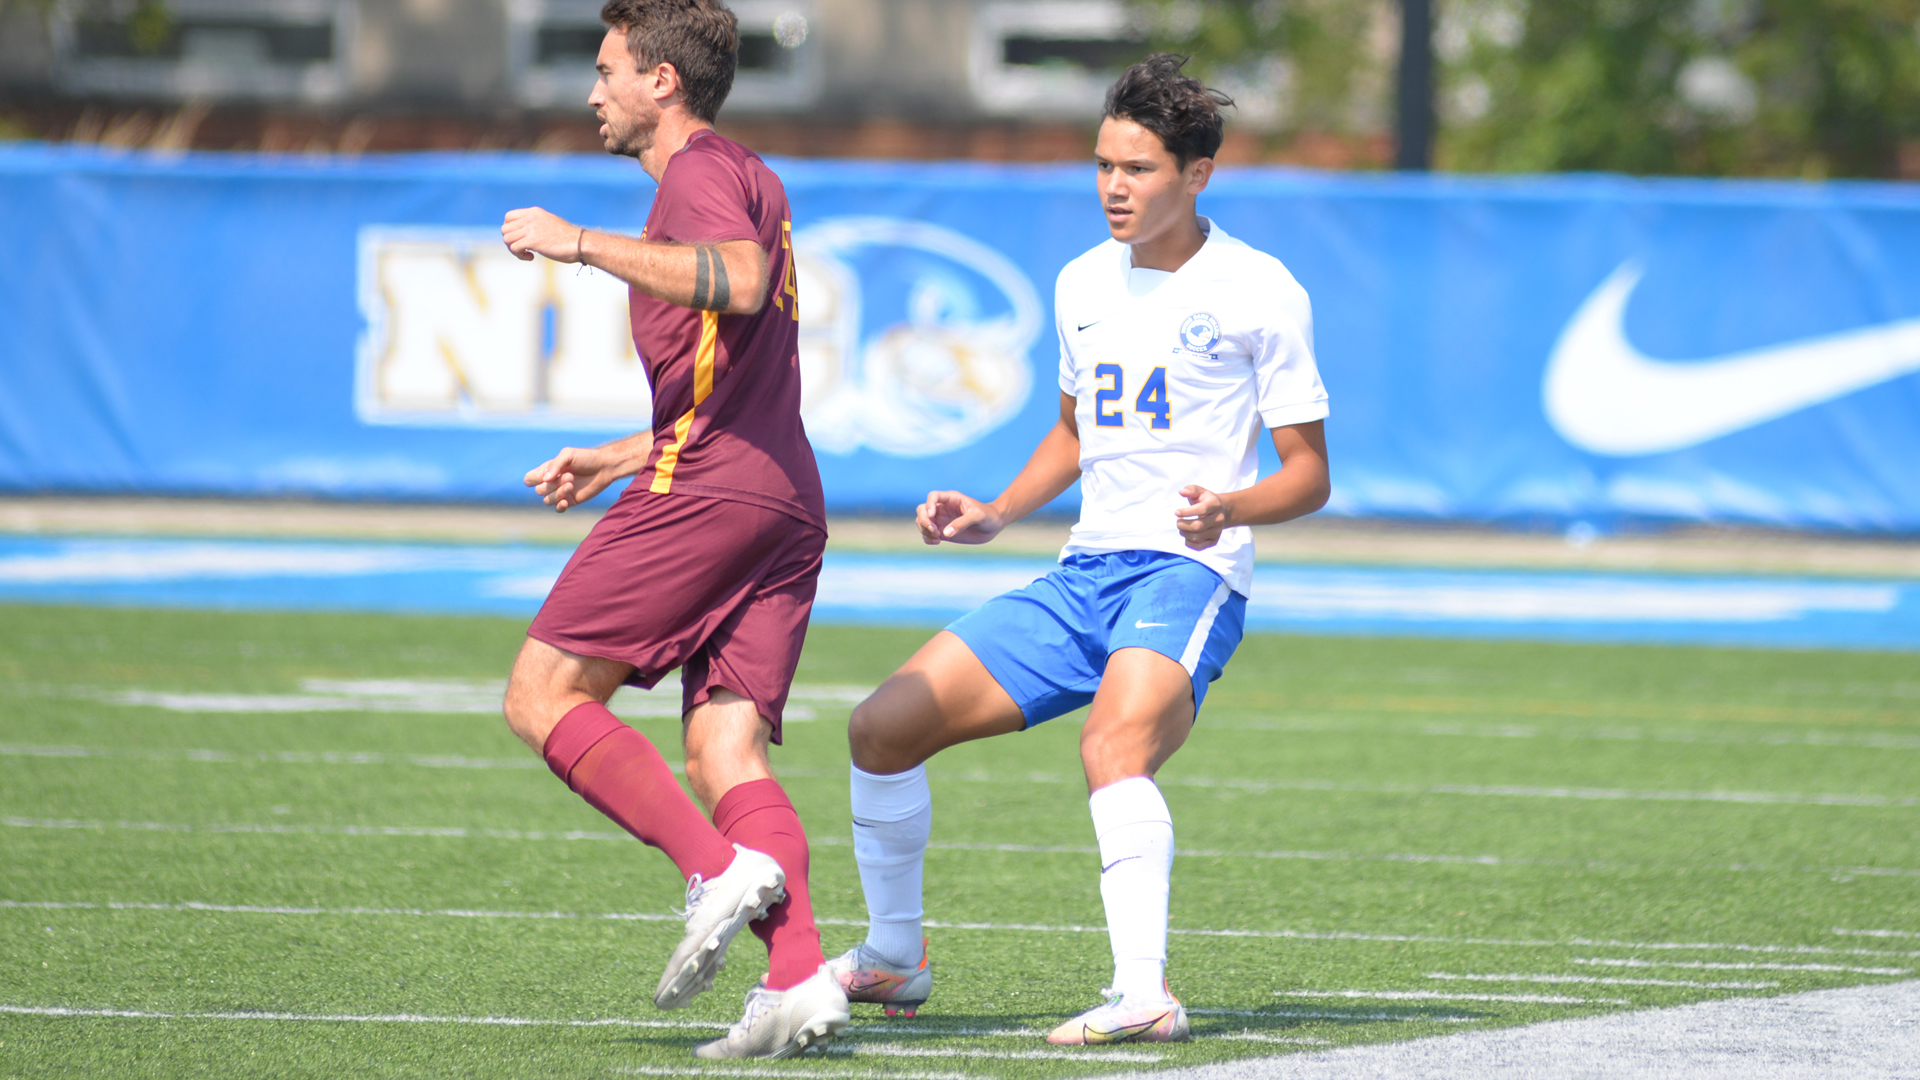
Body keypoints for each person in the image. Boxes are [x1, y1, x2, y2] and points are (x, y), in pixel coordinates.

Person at [825, 54, 1332, 1045]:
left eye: (1138, 169)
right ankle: (894, 958)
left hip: (1187, 574)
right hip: (1082, 573)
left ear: (1197, 175)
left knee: (1113, 746)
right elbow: (1073, 431)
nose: (1113, 186)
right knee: (880, 729)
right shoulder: (1081, 283)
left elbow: (1310, 475)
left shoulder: (1261, 291)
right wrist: (996, 511)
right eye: (1103, 164)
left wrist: (1230, 507)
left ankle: (1143, 992)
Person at [497, 0, 848, 1060]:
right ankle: (797, 979)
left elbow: (737, 286)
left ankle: (714, 870)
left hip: (711, 493)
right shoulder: (747, 173)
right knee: (723, 744)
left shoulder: (695, 174)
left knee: (542, 695)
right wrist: (613, 455)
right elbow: (724, 379)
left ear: (662, 82)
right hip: (780, 496)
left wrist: (580, 245)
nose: (591, 91)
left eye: (606, 70)